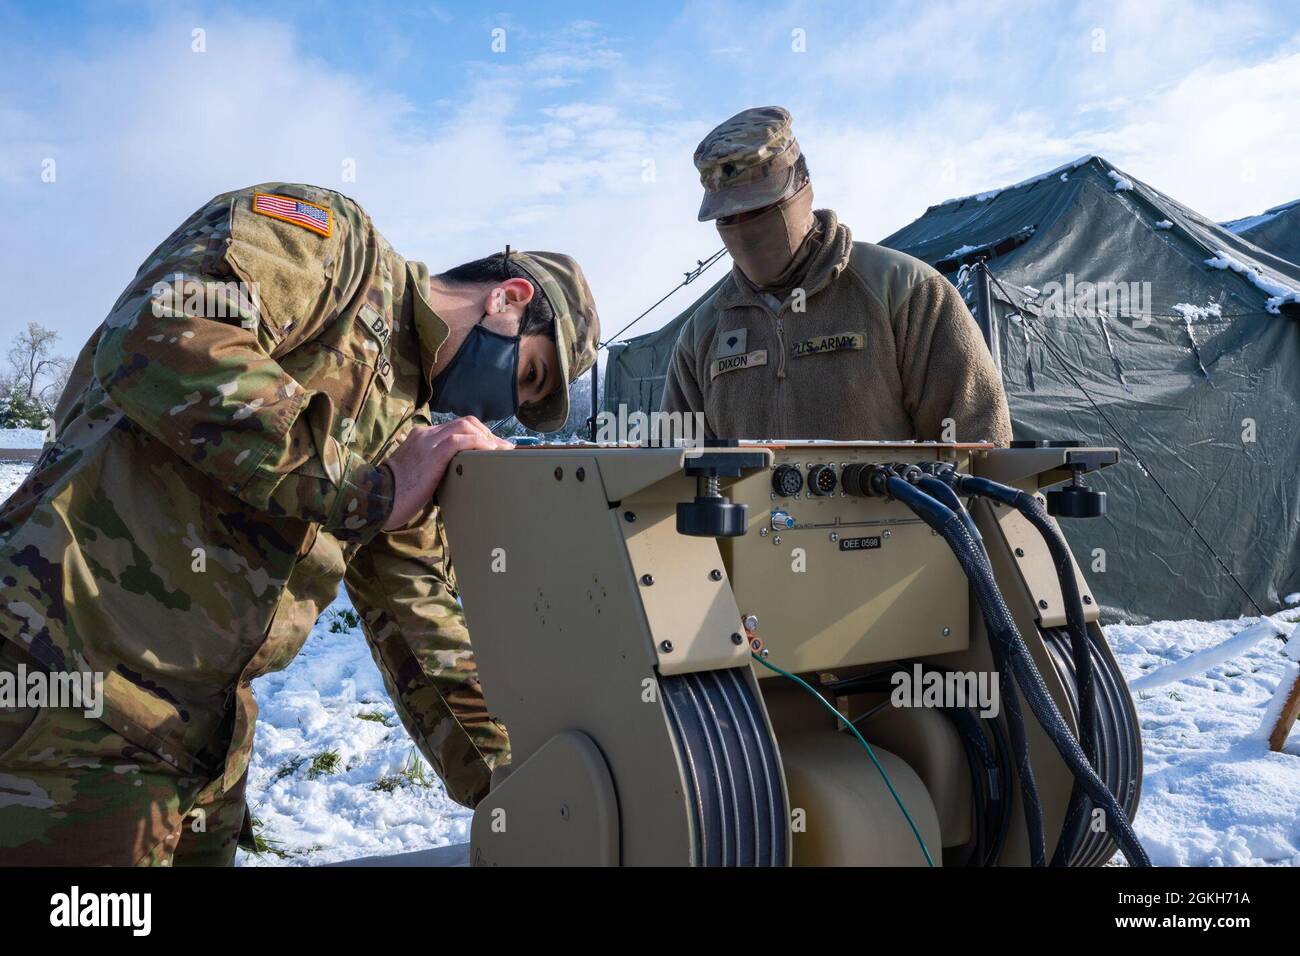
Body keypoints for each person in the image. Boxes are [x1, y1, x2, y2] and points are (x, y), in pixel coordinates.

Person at [0, 182, 599, 865]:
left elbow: (419, 624)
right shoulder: (334, 249)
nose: (507, 405)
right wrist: (367, 489)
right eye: (529, 374)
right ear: (509, 298)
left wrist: (527, 790)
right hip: (68, 687)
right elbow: (162, 333)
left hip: (202, 743)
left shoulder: (410, 435)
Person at [662, 106, 1011, 446]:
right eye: (727, 217)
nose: (743, 227)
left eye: (759, 208)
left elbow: (981, 445)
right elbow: (673, 466)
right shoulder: (703, 332)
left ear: (802, 187)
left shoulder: (904, 291)